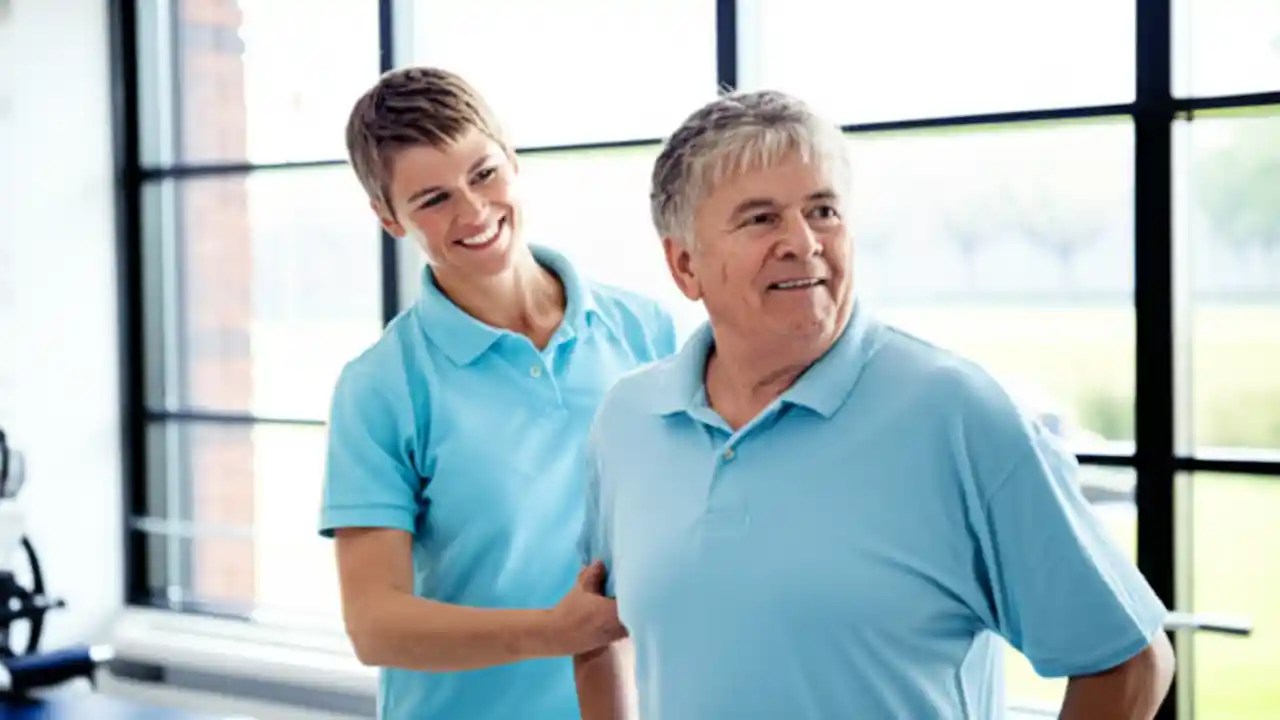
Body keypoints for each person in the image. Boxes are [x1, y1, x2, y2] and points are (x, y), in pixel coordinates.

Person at [575, 90, 1176, 719]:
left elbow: (1130, 658)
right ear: (684, 266)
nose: (802, 241)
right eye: (761, 218)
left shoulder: (957, 413)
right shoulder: (628, 421)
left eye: (823, 210)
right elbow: (597, 631)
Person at [319, 66, 676, 720]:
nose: (474, 211)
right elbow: (374, 624)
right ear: (388, 218)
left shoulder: (642, 329)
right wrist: (554, 632)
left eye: (483, 174)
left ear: (511, 158)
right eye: (433, 199)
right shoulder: (379, 387)